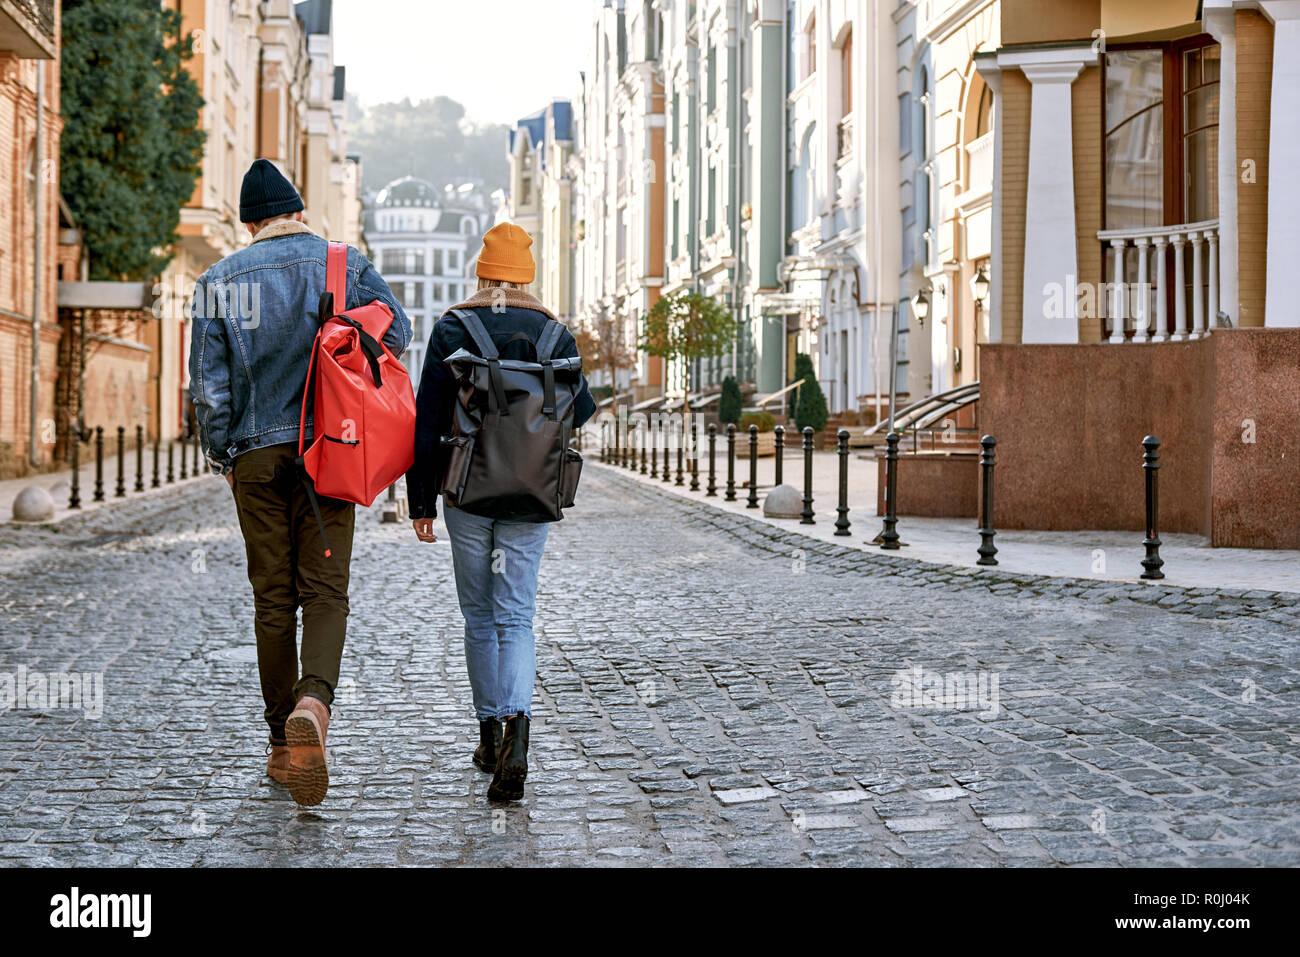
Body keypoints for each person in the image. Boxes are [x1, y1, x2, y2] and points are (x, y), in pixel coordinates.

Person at [189, 159, 411, 806]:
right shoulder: (343, 263)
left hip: (255, 457)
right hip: (329, 448)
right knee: (325, 589)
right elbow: (397, 330)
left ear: (250, 222)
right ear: (299, 210)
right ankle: (314, 702)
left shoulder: (217, 280)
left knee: (271, 598)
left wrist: (223, 456)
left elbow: (209, 387)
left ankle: (281, 745)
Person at [407, 223, 595, 802]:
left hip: (466, 492)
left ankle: (487, 738)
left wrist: (420, 502)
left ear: (483, 273)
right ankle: (518, 739)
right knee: (516, 616)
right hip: (531, 495)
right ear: (527, 277)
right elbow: (581, 410)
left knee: (478, 617)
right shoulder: (554, 334)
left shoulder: (452, 329)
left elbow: (427, 419)